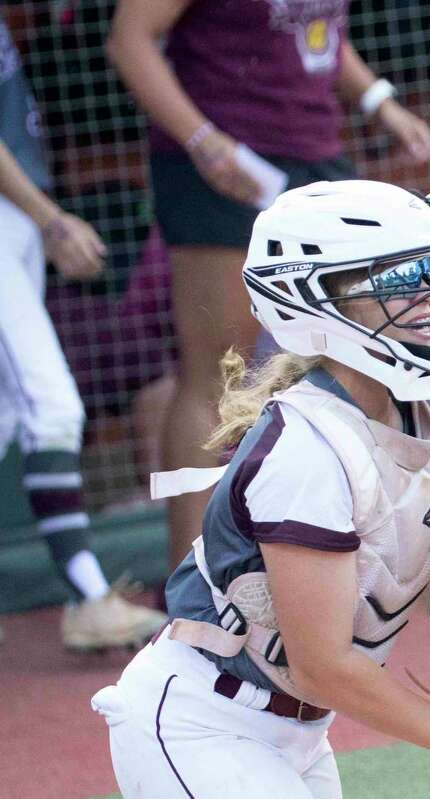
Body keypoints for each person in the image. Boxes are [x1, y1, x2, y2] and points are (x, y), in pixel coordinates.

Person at [91, 180, 430, 799]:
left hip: (293, 731)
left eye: (429, 271)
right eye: (401, 281)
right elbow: (322, 666)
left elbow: (388, 570)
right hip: (204, 725)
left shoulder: (421, 422)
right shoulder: (306, 450)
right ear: (318, 301)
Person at [106, 0, 430, 571]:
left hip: (314, 153)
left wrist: (379, 102)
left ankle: (351, 557)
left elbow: (318, 34)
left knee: (352, 350)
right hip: (225, 161)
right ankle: (196, 578)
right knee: (218, 369)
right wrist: (203, 141)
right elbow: (128, 39)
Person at [0, 16, 166, 650]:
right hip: (14, 216)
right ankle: (88, 597)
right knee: (51, 408)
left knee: (15, 413)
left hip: (18, 217)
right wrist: (49, 220)